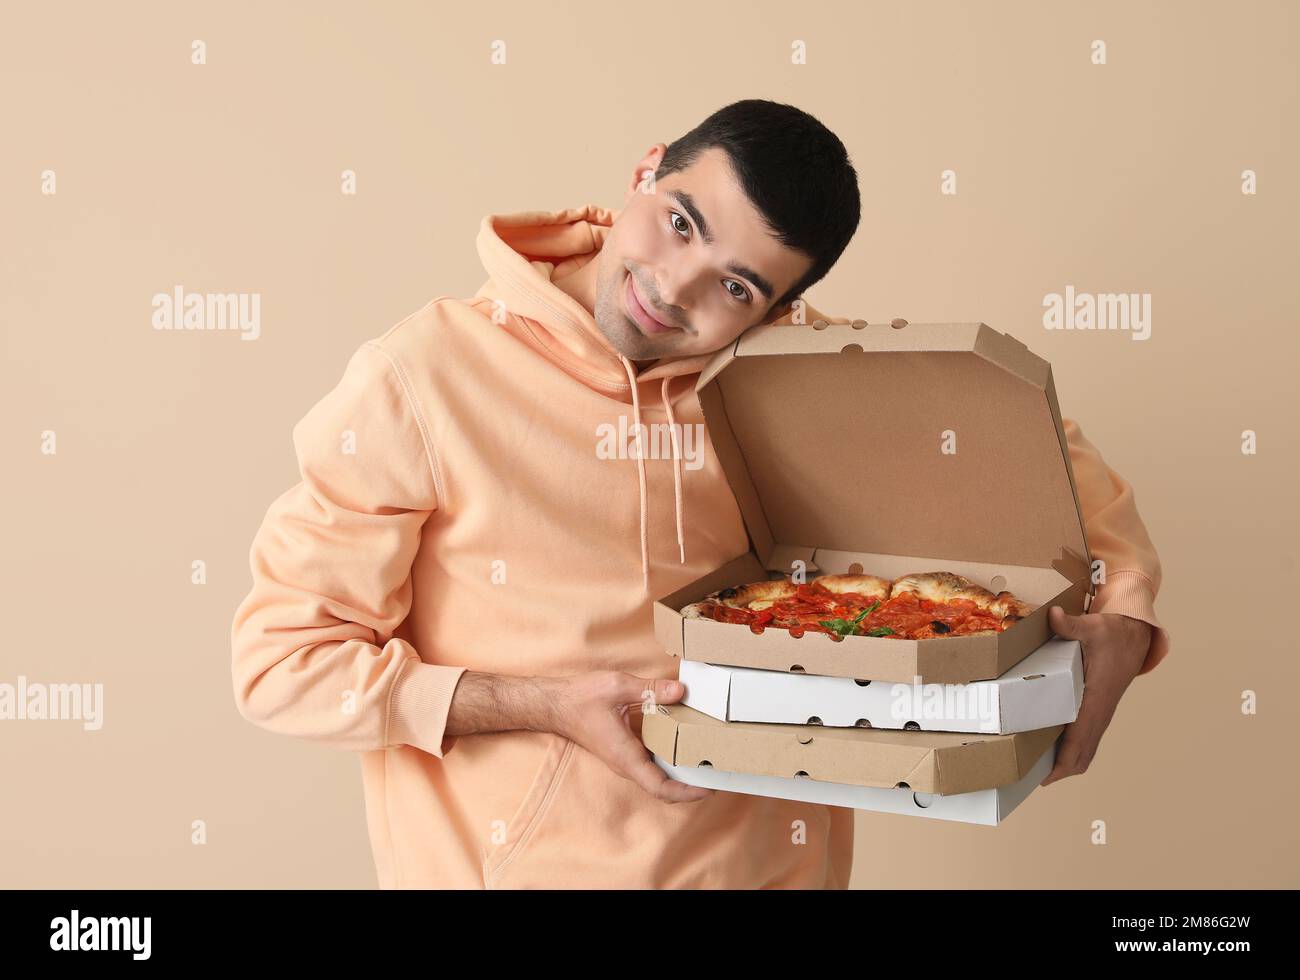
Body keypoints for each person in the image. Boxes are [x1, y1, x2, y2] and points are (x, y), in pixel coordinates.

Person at [230, 99, 1170, 889]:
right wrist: (539, 703)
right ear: (645, 171)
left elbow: (1040, 452)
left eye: (736, 286)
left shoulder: (798, 373)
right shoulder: (420, 378)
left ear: (779, 309)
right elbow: (282, 667)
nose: (674, 290)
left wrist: (1124, 613)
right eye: (681, 221)